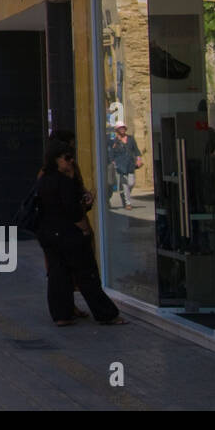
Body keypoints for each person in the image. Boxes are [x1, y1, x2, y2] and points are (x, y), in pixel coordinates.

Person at [33, 141, 126, 326]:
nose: (71, 161)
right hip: (68, 235)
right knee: (87, 274)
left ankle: (61, 315)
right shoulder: (63, 181)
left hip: (48, 234)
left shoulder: (43, 180)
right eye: (67, 158)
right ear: (56, 159)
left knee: (58, 274)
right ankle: (106, 314)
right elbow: (72, 210)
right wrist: (84, 229)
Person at [106, 121, 142, 210]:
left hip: (130, 164)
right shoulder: (115, 141)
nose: (122, 129)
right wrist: (113, 161)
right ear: (117, 130)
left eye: (123, 128)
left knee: (131, 183)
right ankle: (128, 203)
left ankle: (124, 195)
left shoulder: (131, 139)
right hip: (120, 166)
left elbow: (136, 150)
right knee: (125, 184)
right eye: (120, 128)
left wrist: (138, 159)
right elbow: (111, 153)